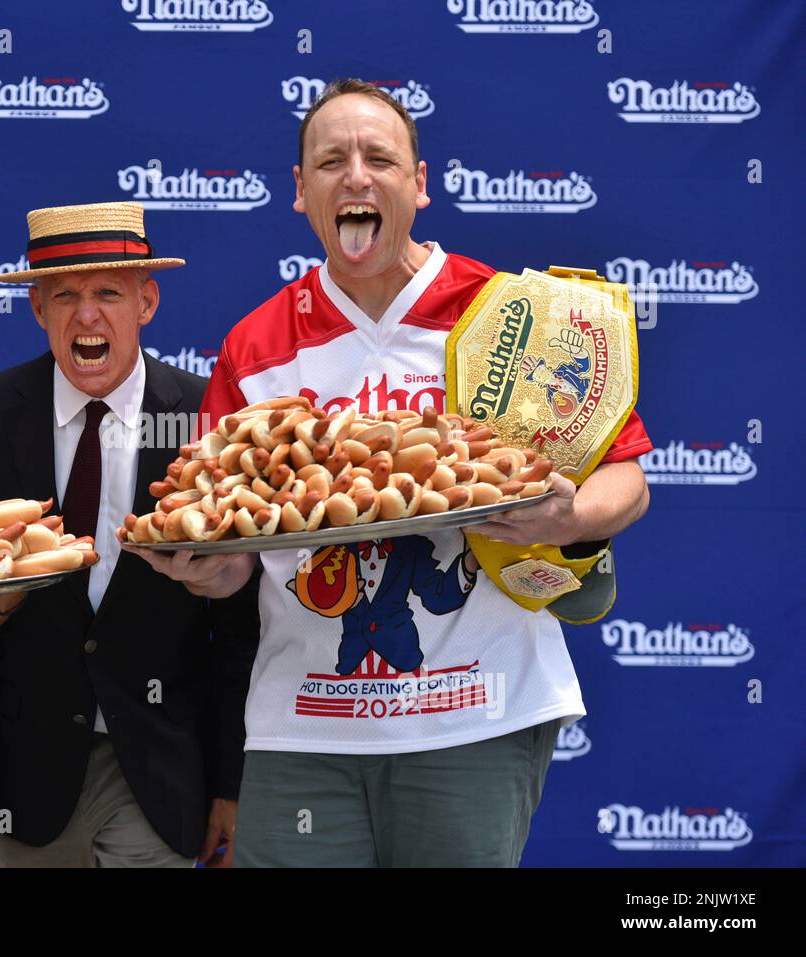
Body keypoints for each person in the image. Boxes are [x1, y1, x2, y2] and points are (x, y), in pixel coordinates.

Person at [129, 79, 653, 867]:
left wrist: (568, 516)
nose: (357, 176)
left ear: (421, 182)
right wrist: (206, 569)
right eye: (331, 161)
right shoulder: (256, 345)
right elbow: (235, 550)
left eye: (380, 157)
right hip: (303, 722)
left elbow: (627, 478)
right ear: (300, 192)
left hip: (476, 710)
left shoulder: (507, 311)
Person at [0, 202, 259, 867]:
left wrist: (232, 782)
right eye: (65, 296)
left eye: (108, 292)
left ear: (148, 301)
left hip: (163, 777)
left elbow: (237, 622)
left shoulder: (206, 416)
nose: (86, 315)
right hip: (22, 780)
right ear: (36, 308)